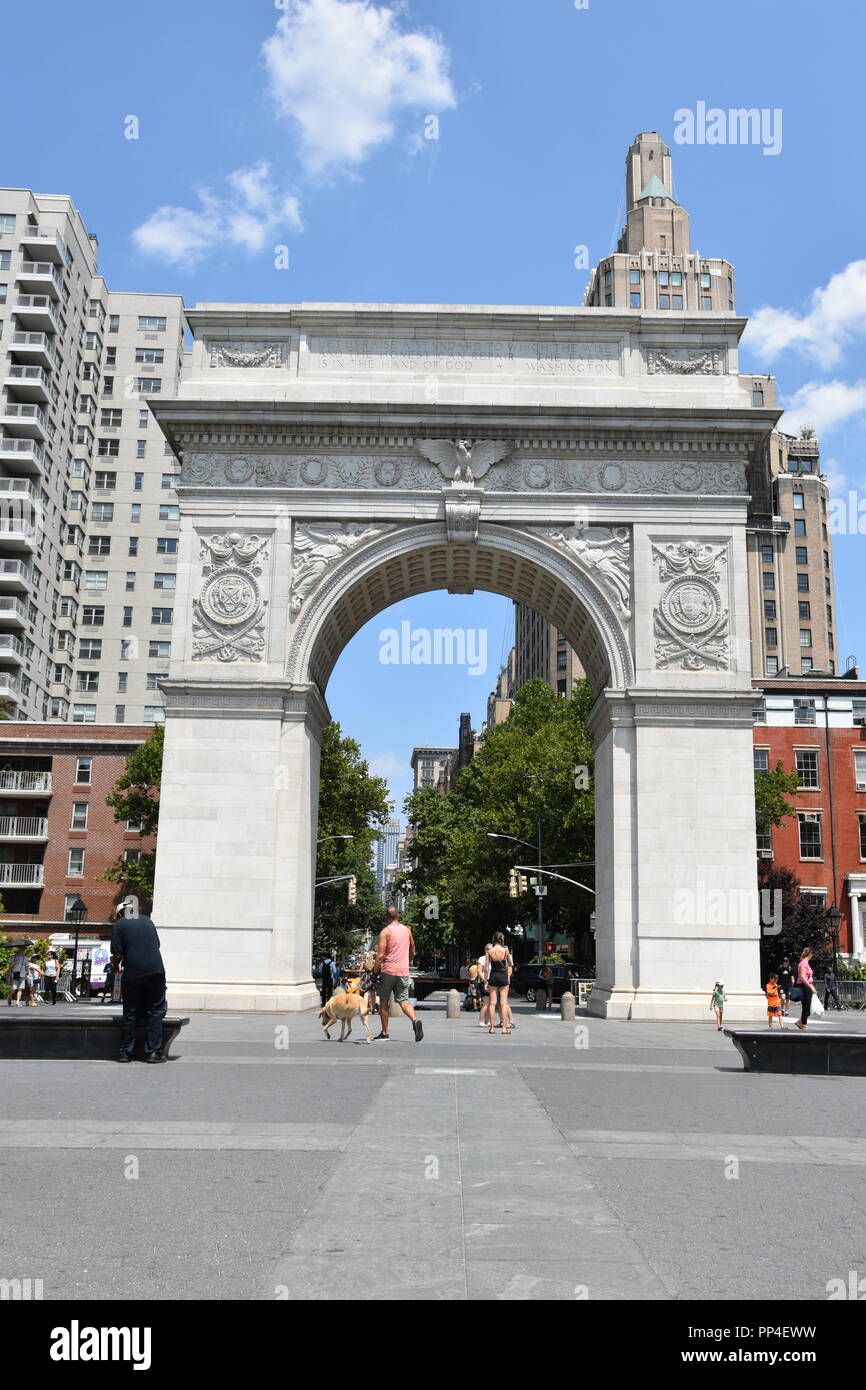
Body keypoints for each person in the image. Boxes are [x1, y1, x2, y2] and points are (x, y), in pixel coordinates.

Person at [111, 906, 167, 1063]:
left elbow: (117, 954)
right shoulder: (148, 921)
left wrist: (115, 966)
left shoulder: (120, 924)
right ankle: (154, 1053)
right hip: (156, 970)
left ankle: (125, 1053)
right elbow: (157, 944)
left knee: (130, 1012)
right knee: (156, 1010)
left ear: (120, 914)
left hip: (133, 972)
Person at [373, 906, 423, 1042]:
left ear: (386, 917)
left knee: (384, 1002)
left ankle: (384, 1032)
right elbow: (413, 950)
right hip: (403, 971)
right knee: (404, 1001)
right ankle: (415, 1020)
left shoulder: (385, 932)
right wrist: (407, 961)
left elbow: (381, 955)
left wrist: (375, 969)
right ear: (398, 916)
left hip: (388, 971)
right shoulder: (407, 931)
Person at [485, 933, 514, 1034]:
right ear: (502, 939)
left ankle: (492, 1028)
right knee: (503, 1003)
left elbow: (487, 968)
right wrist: (508, 977)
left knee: (492, 1003)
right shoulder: (505, 950)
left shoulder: (489, 951)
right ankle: (504, 1028)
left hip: (493, 975)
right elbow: (510, 964)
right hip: (503, 975)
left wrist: (485, 981)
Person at [794, 947, 817, 1031]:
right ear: (810, 954)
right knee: (806, 1006)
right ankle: (804, 1024)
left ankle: (801, 1022)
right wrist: (810, 987)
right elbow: (803, 978)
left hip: (807, 986)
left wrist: (812, 987)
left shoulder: (806, 963)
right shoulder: (803, 963)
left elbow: (808, 977)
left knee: (808, 1006)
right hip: (804, 986)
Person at [359, 949, 380, 1016]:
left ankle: (365, 1009)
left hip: (367, 980)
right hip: (374, 979)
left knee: (366, 994)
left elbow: (360, 970)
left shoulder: (365, 962)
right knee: (374, 994)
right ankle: (374, 1007)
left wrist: (363, 966)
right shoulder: (375, 962)